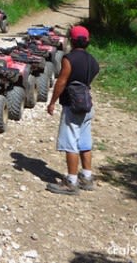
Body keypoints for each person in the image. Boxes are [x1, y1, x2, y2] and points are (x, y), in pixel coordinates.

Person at [46, 25, 100, 195]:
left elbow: (61, 81)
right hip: (86, 105)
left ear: (72, 40)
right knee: (85, 142)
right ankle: (87, 176)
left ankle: (71, 182)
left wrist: (52, 101)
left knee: (71, 143)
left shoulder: (69, 59)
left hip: (72, 105)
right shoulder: (93, 61)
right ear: (87, 41)